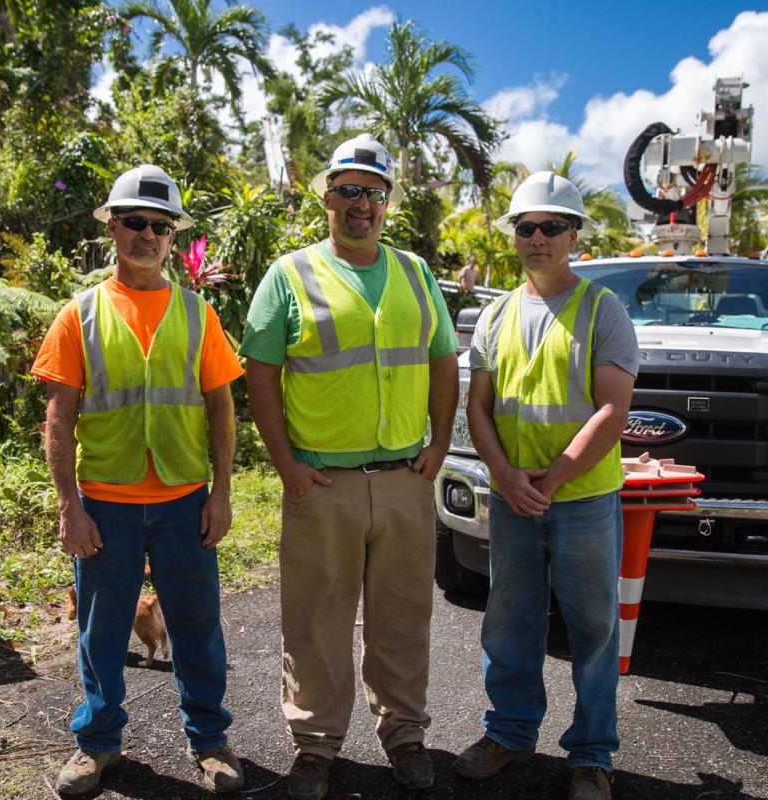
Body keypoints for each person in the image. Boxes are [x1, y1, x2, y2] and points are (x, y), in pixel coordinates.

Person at [241, 134, 459, 800]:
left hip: (403, 481)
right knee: (315, 621)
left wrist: (440, 444)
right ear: (325, 197)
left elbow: (444, 360)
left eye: (372, 191)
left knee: (402, 615)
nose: (360, 203)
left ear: (386, 201)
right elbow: (261, 373)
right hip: (322, 484)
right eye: (347, 190)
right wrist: (287, 466)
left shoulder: (416, 274)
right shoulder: (291, 273)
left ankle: (405, 736)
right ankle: (314, 748)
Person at [32, 165, 245, 796]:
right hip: (107, 503)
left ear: (172, 236)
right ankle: (97, 744)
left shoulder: (197, 314)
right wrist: (70, 506)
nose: (146, 234)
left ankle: (210, 741)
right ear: (112, 229)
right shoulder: (81, 314)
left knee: (197, 627)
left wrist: (223, 491)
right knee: (100, 631)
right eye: (133, 222)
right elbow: (59, 416)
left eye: (158, 224)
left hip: (184, 500)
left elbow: (222, 408)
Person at [453, 171, 638, 800]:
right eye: (526, 227)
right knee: (509, 621)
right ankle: (508, 732)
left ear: (574, 235)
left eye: (551, 227)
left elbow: (613, 410)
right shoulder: (496, 314)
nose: (537, 238)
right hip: (512, 499)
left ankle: (591, 754)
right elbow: (477, 406)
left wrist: (554, 477)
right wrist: (504, 475)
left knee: (592, 627)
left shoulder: (602, 310)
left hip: (582, 499)